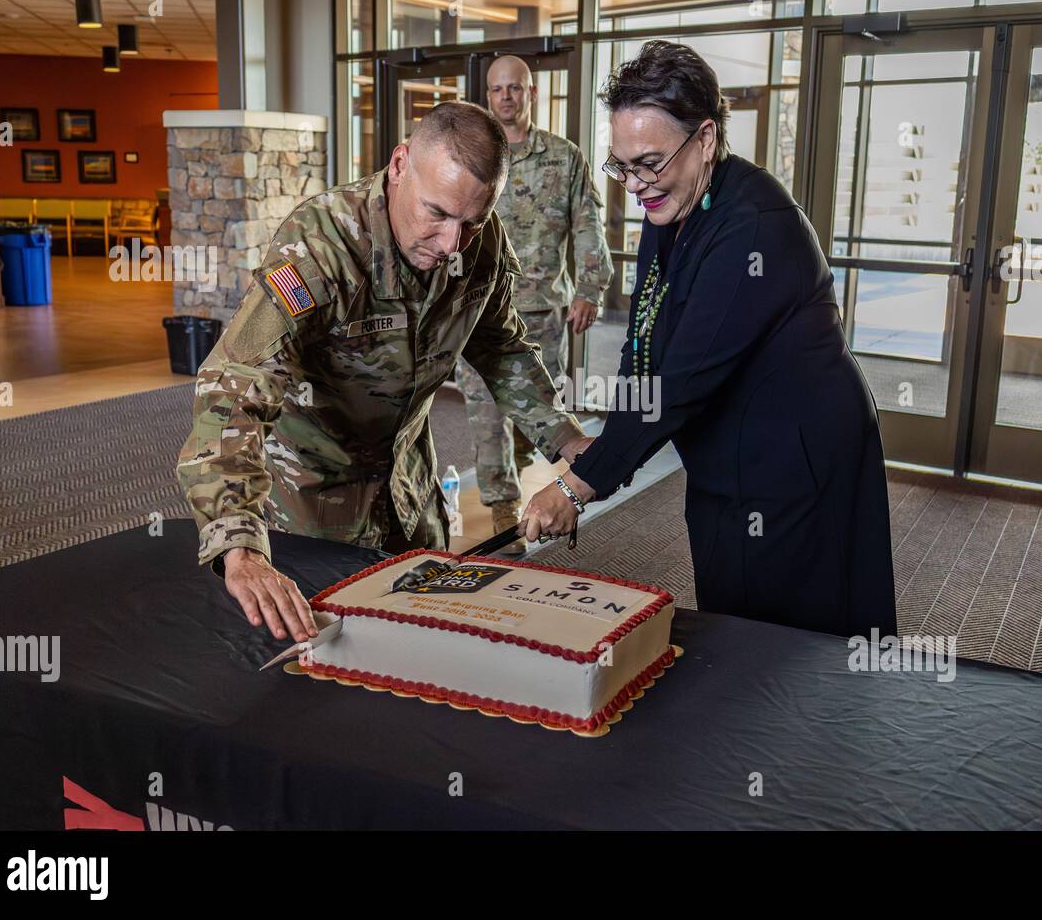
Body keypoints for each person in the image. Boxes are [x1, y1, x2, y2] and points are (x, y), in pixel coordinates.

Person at [518, 40, 897, 638]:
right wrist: (605, 443)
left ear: (707, 141)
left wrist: (576, 486)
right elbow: (644, 340)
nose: (635, 185)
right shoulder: (671, 206)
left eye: (650, 163)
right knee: (731, 611)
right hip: (728, 455)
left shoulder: (753, 227)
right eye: (622, 166)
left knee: (791, 645)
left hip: (796, 460)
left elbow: (678, 384)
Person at [176, 101, 587, 644]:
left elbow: (501, 346)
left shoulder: (478, 243)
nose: (451, 245)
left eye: (472, 221)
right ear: (399, 166)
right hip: (312, 499)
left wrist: (562, 436)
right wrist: (238, 542)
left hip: (409, 485)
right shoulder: (320, 246)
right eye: (436, 213)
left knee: (426, 639)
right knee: (325, 660)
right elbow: (235, 387)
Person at [455, 55, 613, 556]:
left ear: (532, 93)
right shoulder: (476, 160)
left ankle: (526, 473)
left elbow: (588, 223)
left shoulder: (564, 157)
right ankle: (503, 514)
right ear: (488, 95)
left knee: (536, 411)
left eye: (515, 88)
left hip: (543, 312)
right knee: (485, 416)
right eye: (497, 89)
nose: (506, 97)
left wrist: (590, 287)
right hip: (481, 313)